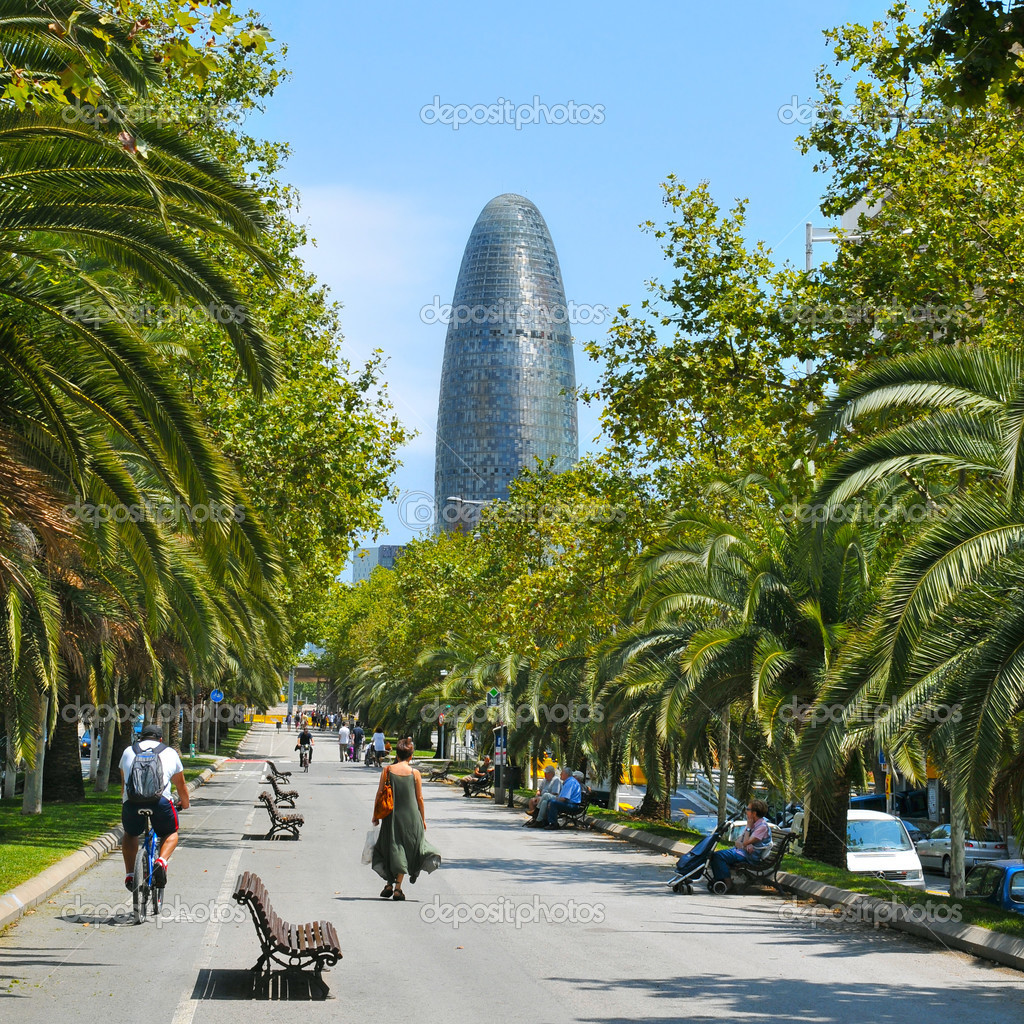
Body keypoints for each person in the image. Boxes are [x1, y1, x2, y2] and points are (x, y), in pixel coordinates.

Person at [120, 723, 190, 891]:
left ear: (141, 738)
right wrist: (185, 804)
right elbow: (181, 785)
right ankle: (161, 862)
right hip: (160, 803)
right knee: (171, 833)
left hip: (132, 803)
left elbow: (124, 785)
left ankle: (130, 875)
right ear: (160, 739)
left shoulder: (129, 751)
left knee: (130, 834)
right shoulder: (170, 752)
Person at [371, 737, 441, 900]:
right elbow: (420, 799)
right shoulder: (414, 773)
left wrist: (375, 815)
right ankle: (397, 888)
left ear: (397, 753)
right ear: (410, 756)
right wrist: (422, 819)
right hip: (411, 817)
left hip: (390, 817)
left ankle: (390, 883)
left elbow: (379, 793)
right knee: (407, 849)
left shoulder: (387, 770)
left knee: (391, 847)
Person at [710, 799, 773, 889]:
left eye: (748, 809)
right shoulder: (754, 824)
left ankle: (728, 883)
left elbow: (744, 842)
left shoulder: (762, 827)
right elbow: (738, 841)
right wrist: (746, 843)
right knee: (713, 855)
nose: (746, 812)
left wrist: (747, 828)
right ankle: (720, 881)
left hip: (750, 857)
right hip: (742, 852)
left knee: (719, 856)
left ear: (754, 813)